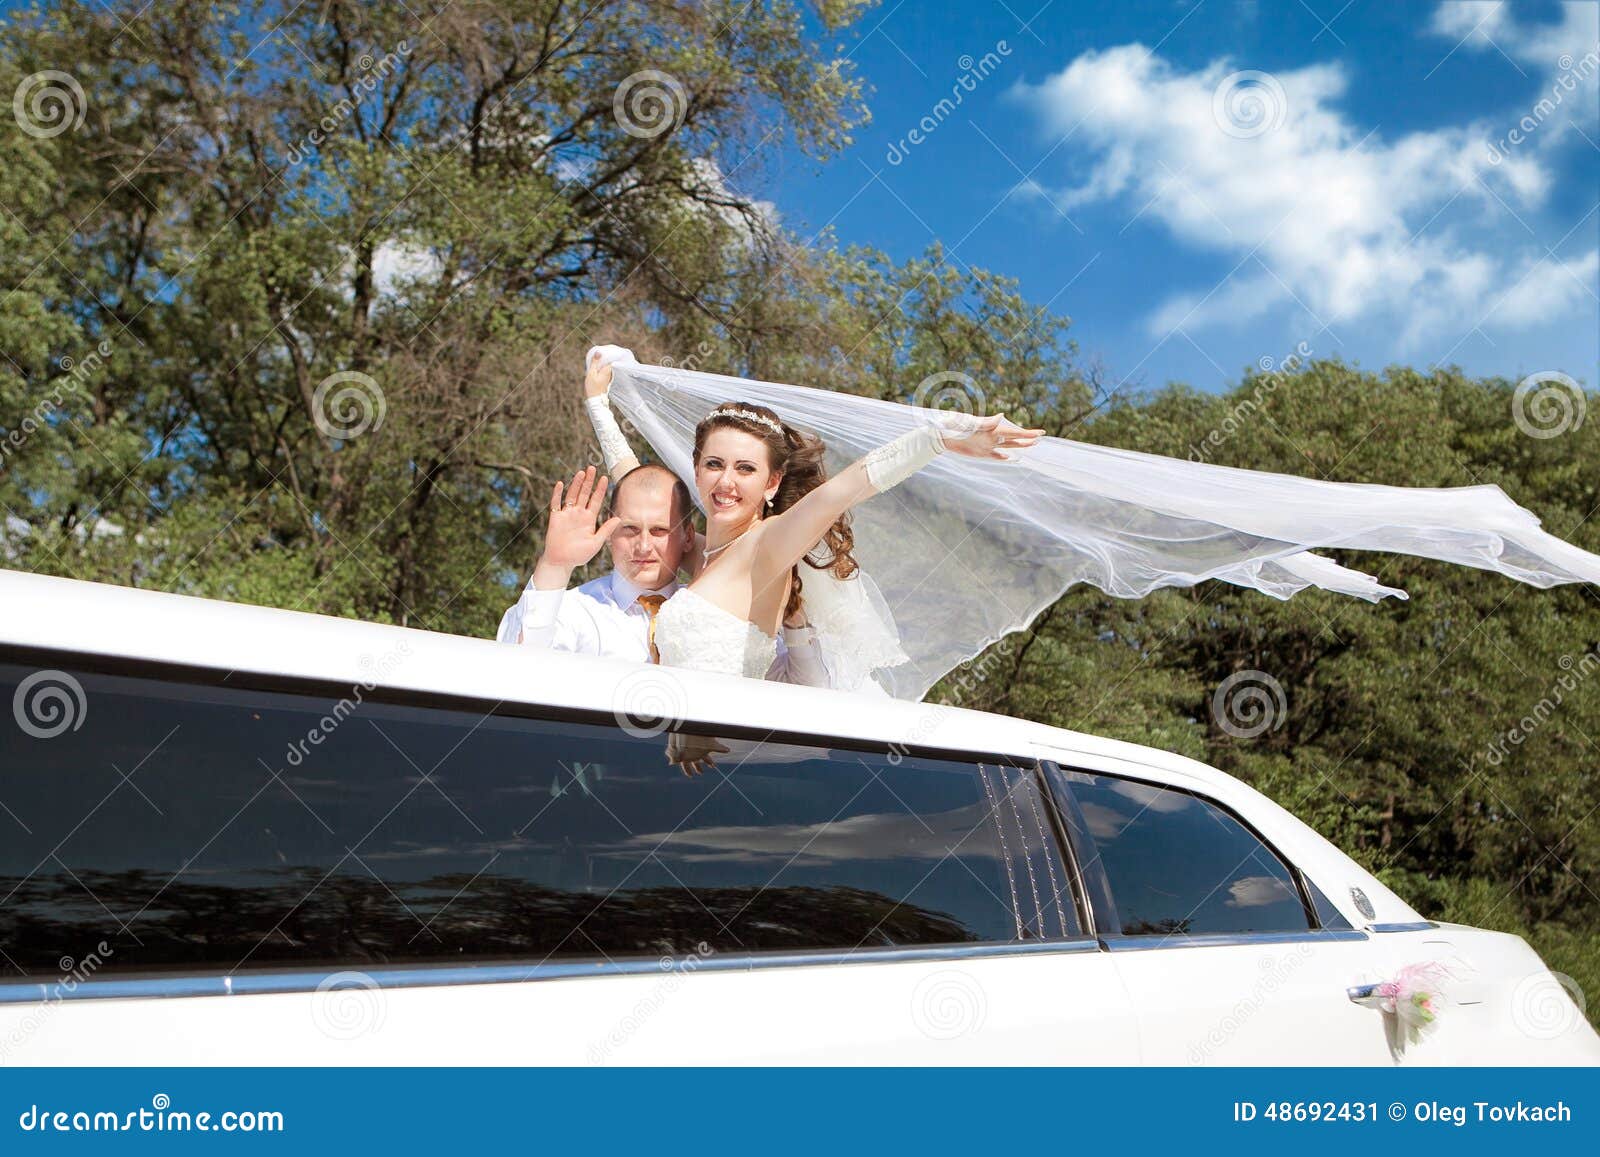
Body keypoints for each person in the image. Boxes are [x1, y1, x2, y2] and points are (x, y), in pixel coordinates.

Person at [580, 350, 1044, 682]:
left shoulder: (767, 545)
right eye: (715, 465)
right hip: (681, 748)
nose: (726, 482)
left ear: (773, 483)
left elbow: (844, 490)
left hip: (724, 755)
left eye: (746, 469)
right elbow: (636, 486)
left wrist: (939, 439)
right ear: (697, 470)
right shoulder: (699, 549)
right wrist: (598, 404)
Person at [495, 460, 831, 686]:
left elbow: (810, 692)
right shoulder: (573, 610)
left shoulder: (717, 619)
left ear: (687, 536)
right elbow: (517, 674)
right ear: (609, 532)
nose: (643, 546)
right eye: (629, 529)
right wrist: (555, 566)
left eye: (658, 531)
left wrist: (794, 617)